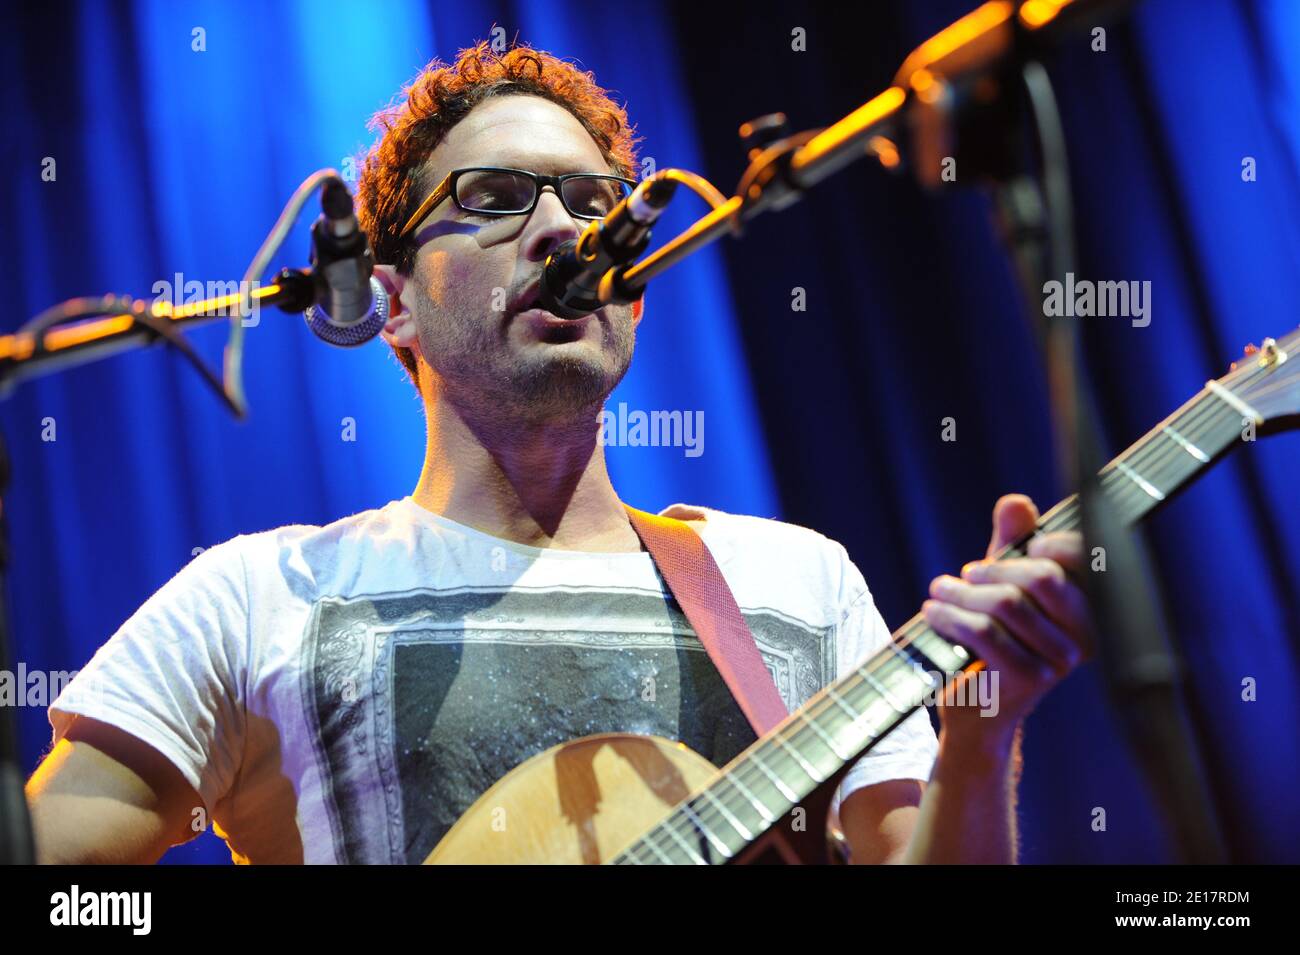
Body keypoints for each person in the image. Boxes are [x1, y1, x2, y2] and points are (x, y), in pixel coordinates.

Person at [25, 42, 1091, 865]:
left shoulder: (794, 580)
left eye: (594, 205)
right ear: (389, 301)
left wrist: (980, 733)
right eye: (493, 201)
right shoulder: (261, 596)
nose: (562, 234)